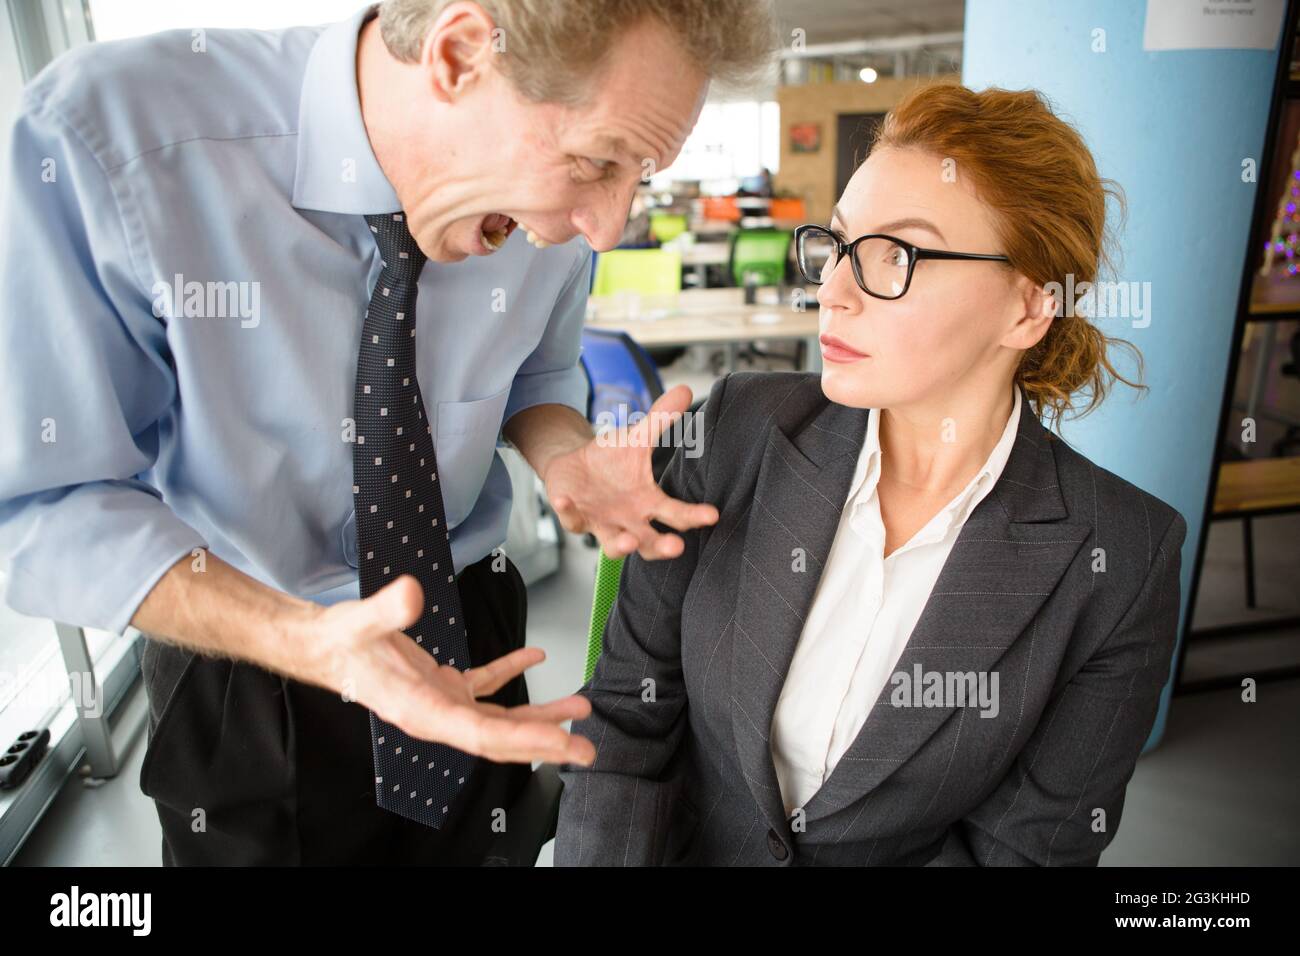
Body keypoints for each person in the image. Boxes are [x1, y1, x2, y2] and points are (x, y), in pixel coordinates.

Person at [0, 0, 774, 864]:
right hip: (244, 648)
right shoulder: (114, 140)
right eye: (596, 162)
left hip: (469, 631)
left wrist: (563, 456)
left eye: (640, 173)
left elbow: (538, 375)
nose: (607, 225)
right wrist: (307, 643)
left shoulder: (547, 204)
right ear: (458, 54)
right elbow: (46, 499)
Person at [555, 84, 1187, 866]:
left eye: (901, 255)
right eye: (841, 244)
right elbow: (625, 722)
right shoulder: (736, 433)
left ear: (1028, 307)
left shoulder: (1121, 555)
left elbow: (1028, 854)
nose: (834, 291)